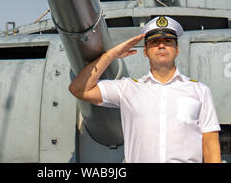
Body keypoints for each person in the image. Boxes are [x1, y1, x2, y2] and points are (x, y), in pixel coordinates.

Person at [69, 15, 221, 163]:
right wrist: (110, 55)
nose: (162, 45)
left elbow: (210, 145)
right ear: (145, 51)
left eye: (168, 41)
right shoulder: (127, 89)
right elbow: (79, 89)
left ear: (177, 49)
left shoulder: (200, 91)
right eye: (155, 42)